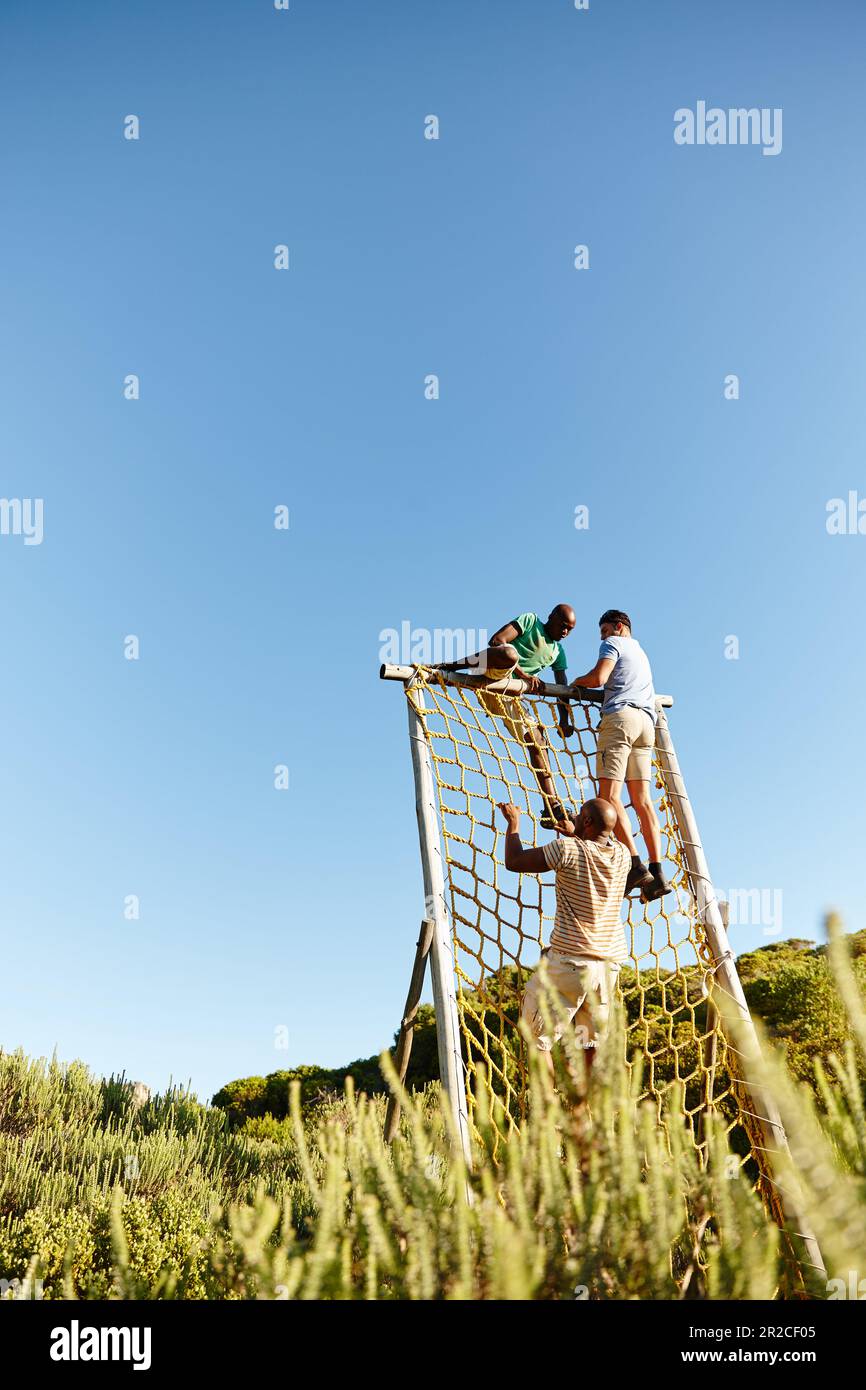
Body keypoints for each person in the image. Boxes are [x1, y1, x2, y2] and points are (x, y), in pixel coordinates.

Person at [497, 798, 629, 1082]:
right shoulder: (623, 856)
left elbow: (515, 862)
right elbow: (591, 845)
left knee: (537, 1038)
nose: (576, 819)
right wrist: (575, 830)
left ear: (588, 823)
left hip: (570, 964)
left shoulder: (566, 849)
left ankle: (550, 1111)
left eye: (580, 816)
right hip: (607, 969)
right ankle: (584, 1113)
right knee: (588, 1044)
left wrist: (513, 824)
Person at [438, 606, 576, 830]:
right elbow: (497, 640)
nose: (565, 632)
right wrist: (523, 675)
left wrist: (564, 720)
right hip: (491, 673)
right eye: (562, 625)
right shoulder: (531, 621)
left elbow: (562, 686)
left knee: (539, 742)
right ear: (551, 617)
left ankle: (551, 808)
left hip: (506, 697)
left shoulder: (557, 652)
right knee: (509, 653)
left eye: (569, 630)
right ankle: (450, 667)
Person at [568, 610, 671, 901]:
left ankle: (636, 865)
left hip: (621, 719)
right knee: (642, 801)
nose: (602, 636)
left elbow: (599, 677)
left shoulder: (613, 643)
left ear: (618, 627)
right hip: (646, 725)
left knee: (609, 797)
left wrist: (577, 681)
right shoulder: (641, 651)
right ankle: (657, 870)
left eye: (604, 630)